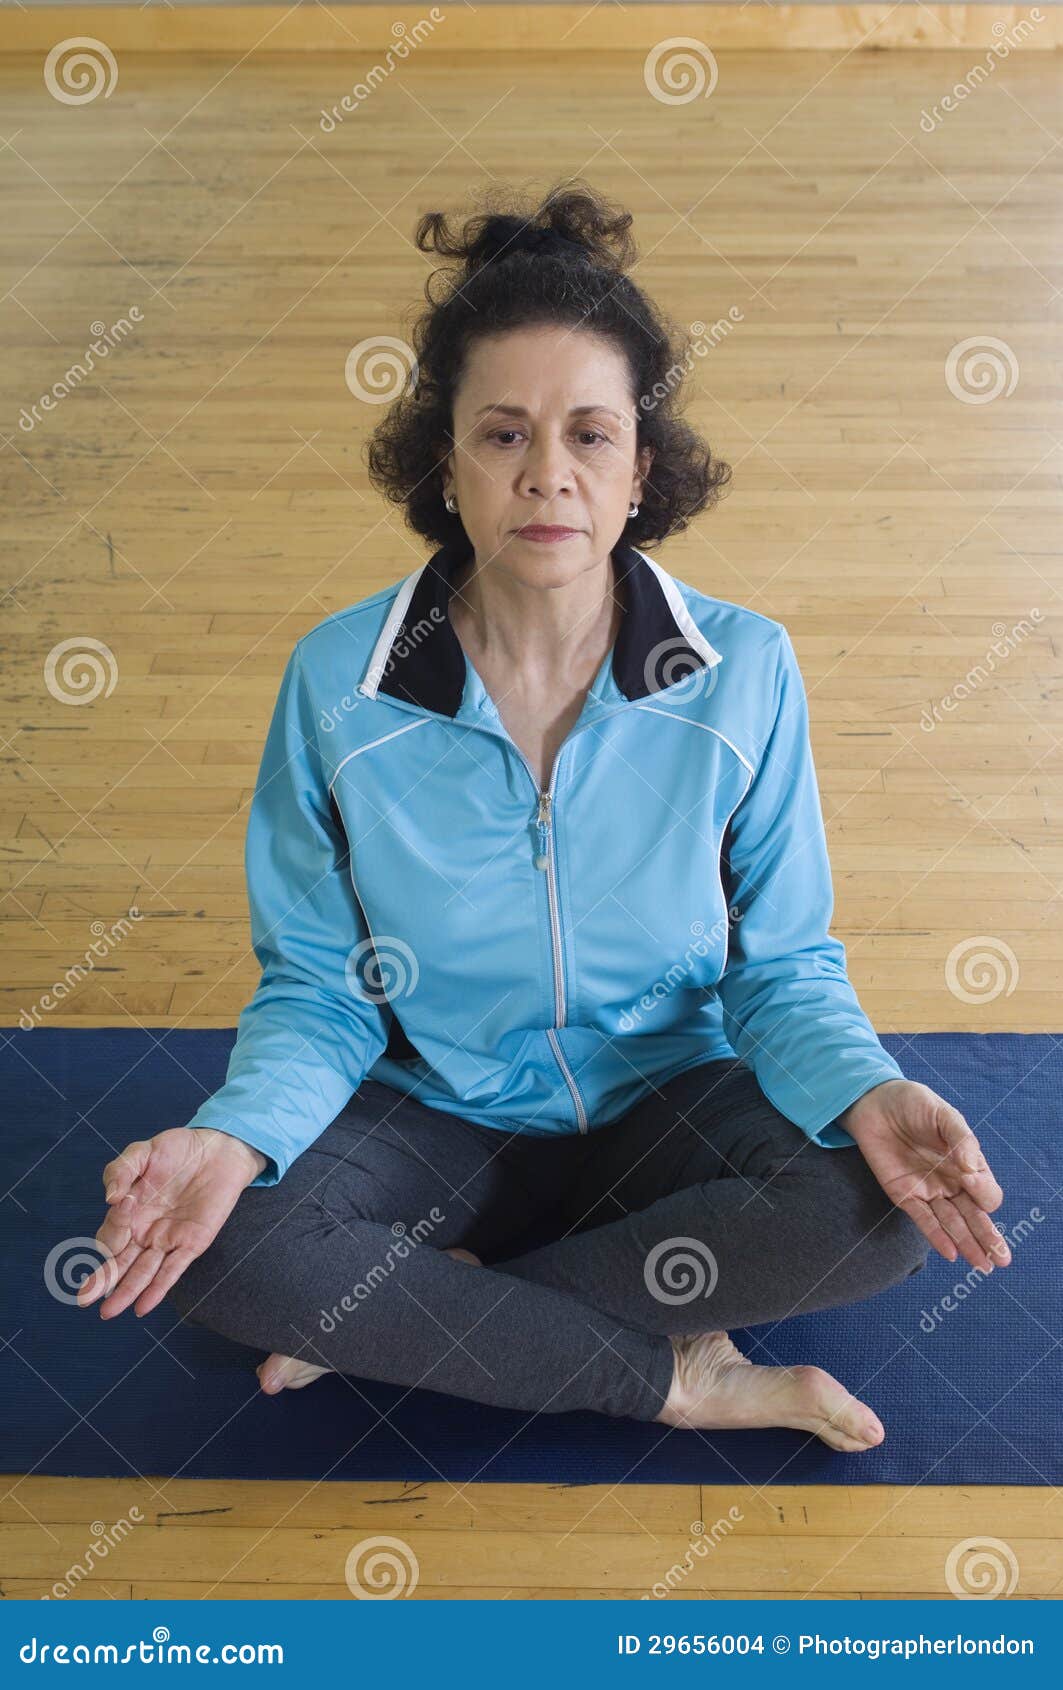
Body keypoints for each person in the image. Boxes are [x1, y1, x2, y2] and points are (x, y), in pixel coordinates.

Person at [77, 180, 1011, 1449]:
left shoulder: (743, 669)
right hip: (434, 1116)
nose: (547, 477)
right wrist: (232, 1134)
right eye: (503, 435)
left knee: (875, 1213)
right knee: (226, 1244)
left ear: (641, 467)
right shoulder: (339, 683)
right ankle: (678, 1375)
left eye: (590, 435)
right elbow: (319, 987)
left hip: (667, 1110)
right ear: (445, 463)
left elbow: (781, 966)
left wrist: (865, 1088)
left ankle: (423, 1314)